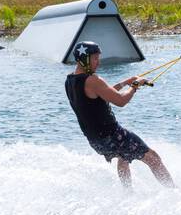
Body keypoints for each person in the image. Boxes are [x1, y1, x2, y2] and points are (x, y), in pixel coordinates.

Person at [65, 41, 174, 188]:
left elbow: (103, 94)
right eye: (95, 58)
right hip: (113, 135)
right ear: (84, 59)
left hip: (96, 141)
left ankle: (127, 193)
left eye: (99, 58)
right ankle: (174, 192)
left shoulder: (70, 80)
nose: (98, 62)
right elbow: (120, 100)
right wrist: (135, 86)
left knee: (124, 157)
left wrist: (126, 82)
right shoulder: (93, 80)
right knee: (153, 158)